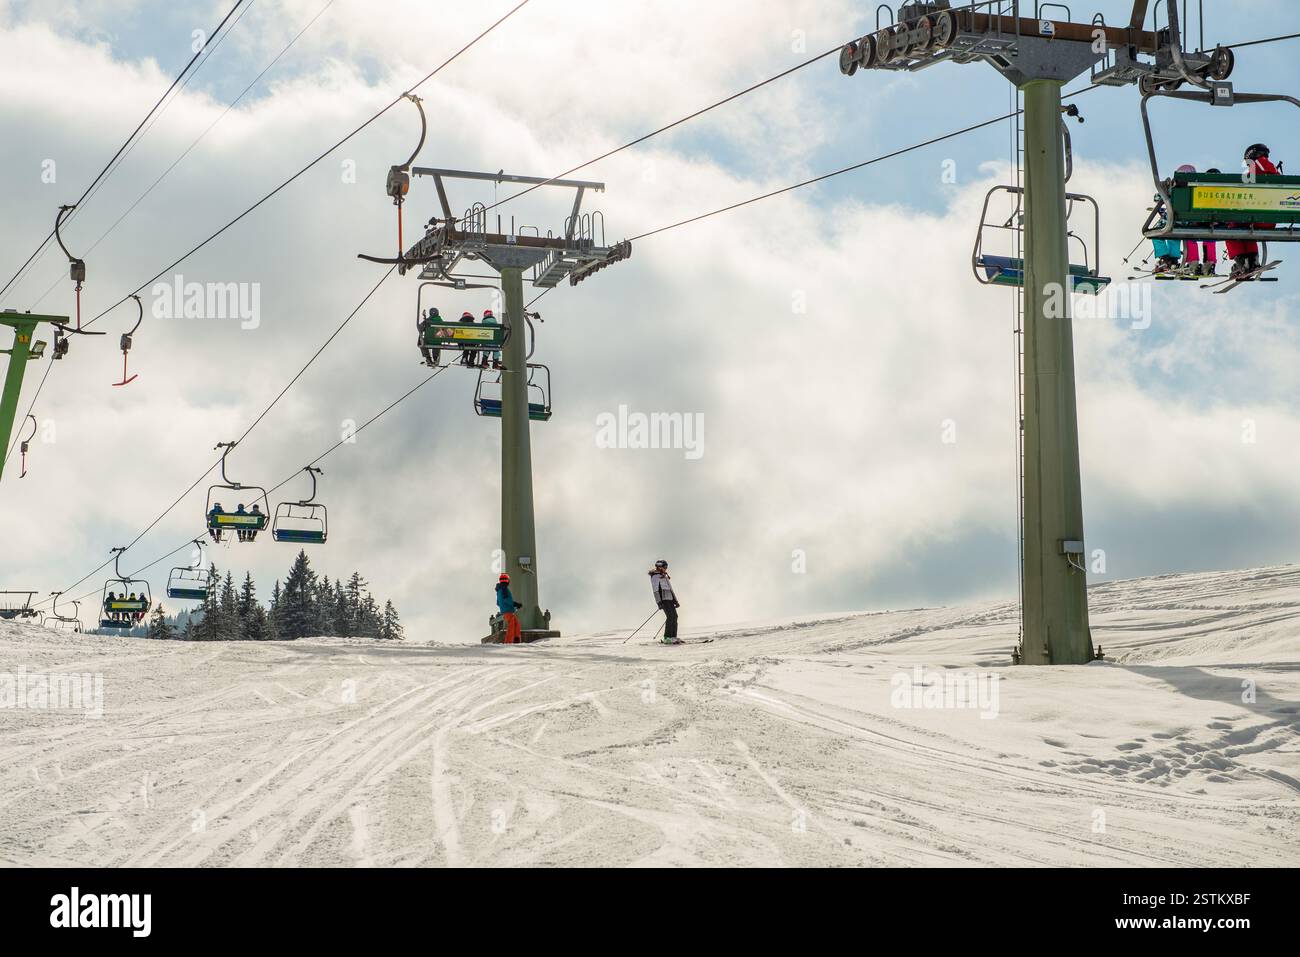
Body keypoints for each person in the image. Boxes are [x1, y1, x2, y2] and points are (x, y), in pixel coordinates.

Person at [1225, 144, 1281, 280]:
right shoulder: (1269, 167)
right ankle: (1251, 261)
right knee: (1245, 229)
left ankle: (1242, 262)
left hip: (1260, 215)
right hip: (1269, 216)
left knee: (1231, 228)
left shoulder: (1260, 164)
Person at [649, 559, 680, 644]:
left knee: (675, 616)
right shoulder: (655, 576)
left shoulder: (664, 575)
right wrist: (659, 602)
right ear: (659, 567)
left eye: (666, 567)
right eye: (665, 567)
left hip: (669, 598)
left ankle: (673, 637)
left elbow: (670, 589)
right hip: (663, 600)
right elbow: (655, 590)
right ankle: (667, 637)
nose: (666, 569)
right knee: (670, 617)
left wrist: (675, 601)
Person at [495, 573, 523, 644]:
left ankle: (516, 640)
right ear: (508, 581)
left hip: (506, 611)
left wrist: (504, 606)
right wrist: (515, 604)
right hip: (508, 611)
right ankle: (508, 642)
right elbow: (507, 600)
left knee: (516, 624)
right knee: (512, 625)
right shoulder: (504, 589)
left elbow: (498, 603)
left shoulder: (499, 590)